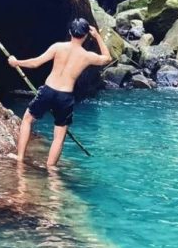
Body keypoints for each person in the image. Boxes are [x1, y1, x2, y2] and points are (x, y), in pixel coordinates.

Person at [8, 18, 112, 168]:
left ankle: (20, 158)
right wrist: (97, 36)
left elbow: (36, 62)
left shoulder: (58, 47)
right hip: (65, 97)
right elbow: (107, 58)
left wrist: (17, 62)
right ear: (85, 36)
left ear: (70, 32)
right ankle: (51, 169)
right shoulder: (87, 56)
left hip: (48, 90)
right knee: (59, 137)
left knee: (27, 119)